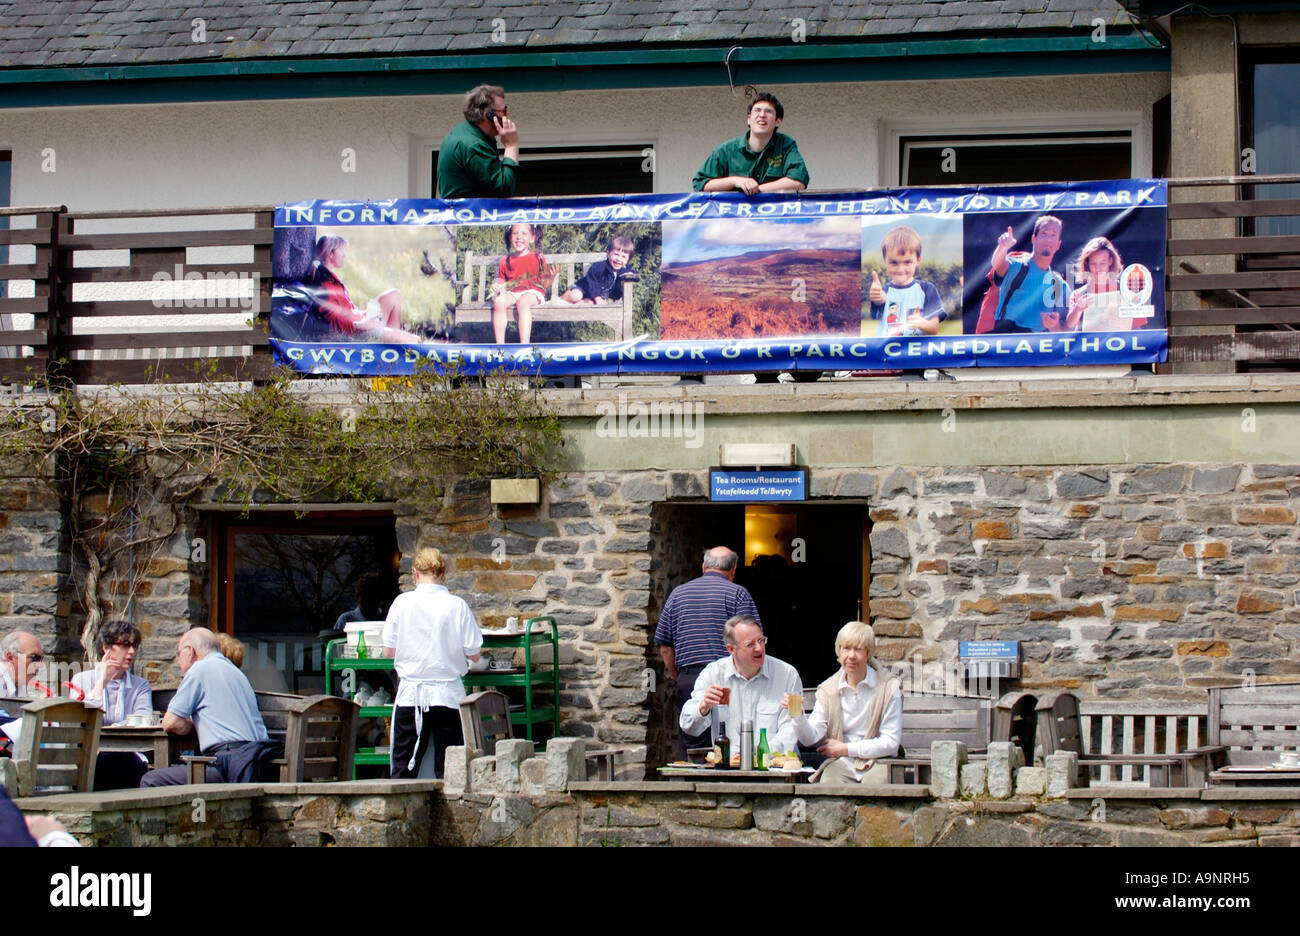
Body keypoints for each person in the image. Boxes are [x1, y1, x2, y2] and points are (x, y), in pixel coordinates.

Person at [382, 548, 482, 779]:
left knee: (403, 769)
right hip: (447, 696)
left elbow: (389, 650)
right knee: (449, 771)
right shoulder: (457, 606)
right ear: (443, 573)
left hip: (411, 696)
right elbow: (475, 654)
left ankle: (401, 813)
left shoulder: (402, 603)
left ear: (415, 573)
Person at [655, 546, 761, 759]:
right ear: (733, 571)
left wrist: (680, 677)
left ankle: (692, 789)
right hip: (726, 681)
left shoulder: (677, 594)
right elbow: (751, 640)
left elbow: (665, 646)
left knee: (692, 745)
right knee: (728, 741)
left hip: (689, 677)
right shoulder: (737, 594)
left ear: (703, 567)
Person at [140, 628, 278, 787]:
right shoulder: (237, 673)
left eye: (179, 654)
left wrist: (194, 726)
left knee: (150, 780)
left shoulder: (199, 669)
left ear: (190, 651)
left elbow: (170, 722)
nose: (178, 662)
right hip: (255, 762)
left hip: (228, 764)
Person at [785, 620, 902, 784]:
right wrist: (797, 715)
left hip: (878, 761)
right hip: (842, 763)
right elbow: (810, 738)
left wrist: (845, 749)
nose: (851, 656)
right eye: (846, 648)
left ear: (868, 653)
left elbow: (890, 743)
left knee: (876, 788)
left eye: (858, 649)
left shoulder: (889, 688)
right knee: (828, 786)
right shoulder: (828, 690)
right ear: (839, 651)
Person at [679, 614, 802, 756]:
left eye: (761, 641)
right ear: (731, 649)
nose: (759, 649)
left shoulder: (787, 675)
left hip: (775, 767)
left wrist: (758, 755)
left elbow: (792, 728)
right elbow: (688, 726)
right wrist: (703, 707)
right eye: (750, 644)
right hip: (729, 769)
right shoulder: (714, 673)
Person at [70, 620, 153, 791]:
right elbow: (82, 720)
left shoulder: (140, 685)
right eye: (124, 645)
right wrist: (102, 681)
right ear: (106, 648)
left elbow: (143, 718)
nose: (131, 652)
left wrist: (118, 727)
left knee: (119, 761)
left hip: (129, 754)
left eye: (133, 646)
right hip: (91, 755)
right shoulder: (82, 680)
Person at [303, 235, 420, 343]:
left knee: (394, 295)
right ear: (330, 254)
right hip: (354, 332)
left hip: (361, 322)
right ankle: (409, 342)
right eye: (342, 251)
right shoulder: (324, 285)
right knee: (406, 338)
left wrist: (364, 315)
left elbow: (348, 309)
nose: (345, 255)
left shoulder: (331, 278)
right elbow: (333, 320)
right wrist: (360, 325)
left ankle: (391, 342)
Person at [692, 92, 809, 195]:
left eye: (768, 111)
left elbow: (799, 181)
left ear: (778, 121)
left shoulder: (785, 145)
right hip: (734, 219)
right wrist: (735, 181)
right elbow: (700, 184)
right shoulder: (726, 150)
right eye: (757, 110)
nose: (762, 115)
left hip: (773, 218)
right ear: (749, 119)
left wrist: (757, 190)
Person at [986, 215, 1068, 333]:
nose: (1048, 239)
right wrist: (1002, 247)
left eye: (1053, 235)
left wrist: (1053, 326)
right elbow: (997, 264)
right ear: (1034, 239)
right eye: (1044, 233)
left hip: (1038, 347)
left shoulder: (1060, 285)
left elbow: (1064, 330)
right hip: (1007, 341)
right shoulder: (1016, 266)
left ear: (1058, 244)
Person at [437, 84, 520, 199]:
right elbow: (504, 189)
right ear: (489, 116)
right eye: (504, 110)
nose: (507, 115)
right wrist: (511, 145)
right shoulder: (474, 145)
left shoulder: (467, 132)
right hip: (470, 213)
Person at [864, 225, 946, 338]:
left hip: (915, 354)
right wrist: (878, 299)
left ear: (918, 260)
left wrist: (921, 323)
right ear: (885, 261)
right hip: (888, 354)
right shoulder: (883, 291)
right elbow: (882, 301)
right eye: (893, 262)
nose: (900, 269)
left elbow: (934, 328)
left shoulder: (927, 289)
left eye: (907, 262)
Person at [1066, 235, 1145, 331]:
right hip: (1090, 345)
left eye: (1102, 263)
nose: (1098, 268)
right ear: (1087, 264)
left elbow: (1137, 328)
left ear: (1110, 261)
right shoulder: (1079, 294)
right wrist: (1078, 309)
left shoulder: (1127, 292)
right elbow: (1070, 325)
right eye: (1093, 263)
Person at [490, 223, 551, 344]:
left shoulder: (538, 257)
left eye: (524, 233)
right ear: (509, 237)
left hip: (532, 292)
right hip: (513, 291)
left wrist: (551, 277)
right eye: (515, 233)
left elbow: (545, 282)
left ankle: (524, 345)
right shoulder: (505, 260)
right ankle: (500, 346)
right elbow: (502, 279)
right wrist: (497, 284)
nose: (519, 237)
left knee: (522, 302)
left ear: (532, 238)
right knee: (499, 302)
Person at [560, 236, 638, 306]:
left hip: (591, 298)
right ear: (608, 254)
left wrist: (631, 274)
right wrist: (598, 298)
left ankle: (572, 307)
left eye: (623, 257)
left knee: (589, 303)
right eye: (616, 254)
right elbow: (591, 283)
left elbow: (635, 275)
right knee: (576, 296)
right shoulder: (599, 267)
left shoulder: (622, 269)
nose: (619, 259)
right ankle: (559, 301)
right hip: (583, 289)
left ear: (628, 260)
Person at [0, 631, 44, 697]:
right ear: (11, 657)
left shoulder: (19, 683)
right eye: (34, 658)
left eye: (41, 659)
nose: (40, 665)